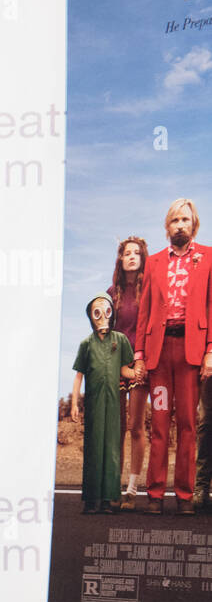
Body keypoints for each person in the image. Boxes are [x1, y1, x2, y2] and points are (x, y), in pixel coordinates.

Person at [132, 198, 212, 514]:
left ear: (194, 225)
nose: (180, 225)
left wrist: (210, 352)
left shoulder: (207, 258)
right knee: (161, 422)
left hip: (191, 355)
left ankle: (184, 495)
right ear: (167, 227)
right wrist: (140, 355)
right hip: (160, 354)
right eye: (175, 220)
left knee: (189, 424)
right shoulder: (153, 263)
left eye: (186, 220)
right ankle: (154, 494)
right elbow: (145, 311)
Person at [71, 295, 136, 513]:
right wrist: (74, 403)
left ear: (111, 312)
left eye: (106, 311)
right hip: (93, 404)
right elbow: (79, 375)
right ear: (91, 316)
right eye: (96, 312)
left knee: (111, 449)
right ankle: (91, 500)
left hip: (113, 403)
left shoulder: (120, 340)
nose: (102, 317)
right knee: (93, 448)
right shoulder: (86, 344)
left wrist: (137, 373)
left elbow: (124, 370)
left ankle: (108, 499)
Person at [107, 237, 147, 509]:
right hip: (116, 366)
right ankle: (114, 486)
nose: (131, 257)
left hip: (141, 364)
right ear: (120, 260)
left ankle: (132, 489)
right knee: (117, 429)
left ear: (143, 258)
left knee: (135, 426)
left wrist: (140, 363)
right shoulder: (112, 292)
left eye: (136, 253)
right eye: (126, 253)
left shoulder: (150, 290)